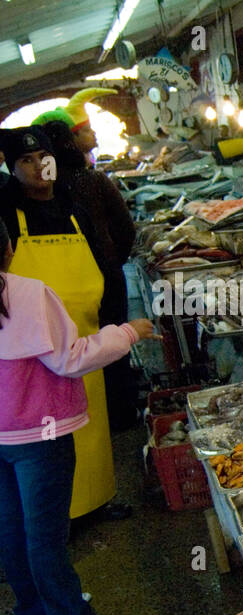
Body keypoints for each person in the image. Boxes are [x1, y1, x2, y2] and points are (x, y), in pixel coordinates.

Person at [0, 214, 159, 615]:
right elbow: (69, 359)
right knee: (46, 534)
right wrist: (127, 332)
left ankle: (33, 607)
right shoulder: (27, 293)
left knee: (11, 527)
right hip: (39, 433)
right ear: (8, 248)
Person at [0, 126, 126, 520]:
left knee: (90, 433)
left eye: (45, 158)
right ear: (12, 168)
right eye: (27, 161)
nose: (40, 167)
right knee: (47, 442)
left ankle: (97, 501)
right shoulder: (6, 216)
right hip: (32, 360)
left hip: (87, 340)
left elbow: (106, 262)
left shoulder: (76, 212)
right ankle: (53, 524)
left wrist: (112, 322)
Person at [34, 110, 138, 432]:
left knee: (64, 358)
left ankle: (81, 421)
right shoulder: (91, 180)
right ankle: (122, 418)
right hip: (106, 278)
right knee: (116, 347)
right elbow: (126, 229)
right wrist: (112, 263)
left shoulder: (37, 193)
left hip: (56, 290)